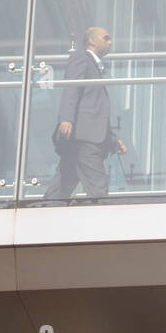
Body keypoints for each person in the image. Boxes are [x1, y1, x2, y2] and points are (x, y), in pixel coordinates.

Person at [43, 26, 126, 203]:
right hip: (84, 138)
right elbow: (72, 86)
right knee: (98, 188)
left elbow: (95, 110)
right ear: (92, 40)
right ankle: (102, 225)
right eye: (106, 38)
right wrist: (66, 118)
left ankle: (41, 214)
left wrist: (112, 140)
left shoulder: (95, 67)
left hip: (83, 137)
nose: (110, 42)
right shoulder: (81, 58)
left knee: (60, 189)